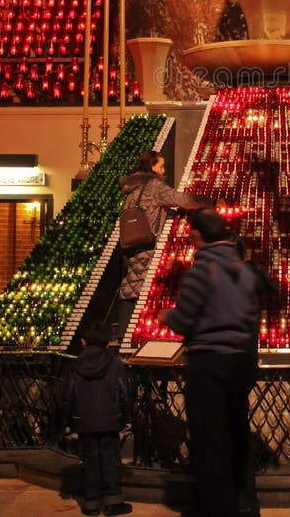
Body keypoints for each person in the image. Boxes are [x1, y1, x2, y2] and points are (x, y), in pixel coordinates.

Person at [159, 207, 261, 517]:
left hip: (209, 363)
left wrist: (167, 316)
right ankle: (245, 503)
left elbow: (185, 318)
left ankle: (217, 508)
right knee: (236, 433)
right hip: (241, 361)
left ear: (196, 235)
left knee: (210, 439)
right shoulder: (243, 269)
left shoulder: (203, 269)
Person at [117, 150, 213, 340]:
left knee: (130, 287)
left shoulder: (132, 190)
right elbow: (181, 200)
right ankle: (131, 338)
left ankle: (123, 337)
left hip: (132, 248)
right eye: (161, 166)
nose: (163, 171)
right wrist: (210, 202)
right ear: (152, 167)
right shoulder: (152, 186)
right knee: (141, 292)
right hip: (148, 248)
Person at [62, 321, 132, 516]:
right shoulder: (115, 364)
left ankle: (91, 503)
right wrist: (127, 417)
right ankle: (112, 501)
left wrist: (67, 422)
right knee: (110, 460)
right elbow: (124, 392)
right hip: (110, 419)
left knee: (90, 461)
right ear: (108, 343)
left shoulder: (76, 364)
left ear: (83, 342)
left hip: (84, 421)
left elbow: (68, 395)